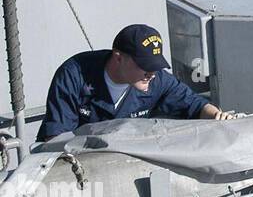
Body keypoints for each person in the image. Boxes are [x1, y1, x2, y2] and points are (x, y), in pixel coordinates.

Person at [37, 24, 234, 141]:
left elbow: (195, 105)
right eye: (144, 65)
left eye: (155, 66)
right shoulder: (74, 76)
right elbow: (56, 139)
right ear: (118, 58)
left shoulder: (157, 80)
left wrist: (217, 116)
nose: (152, 73)